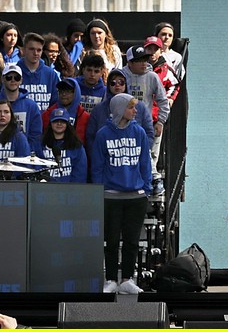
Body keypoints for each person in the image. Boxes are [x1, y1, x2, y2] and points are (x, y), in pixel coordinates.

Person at [91, 93, 152, 294]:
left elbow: (145, 163)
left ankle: (127, 279)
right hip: (111, 196)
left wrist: (146, 188)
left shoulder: (140, 132)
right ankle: (110, 279)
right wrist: (100, 191)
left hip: (136, 195)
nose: (135, 111)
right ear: (119, 109)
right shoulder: (103, 134)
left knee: (132, 241)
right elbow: (98, 167)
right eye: (131, 107)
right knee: (112, 241)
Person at [0, 64, 42, 153]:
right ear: (3, 79)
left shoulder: (31, 106)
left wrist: (26, 154)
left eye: (17, 77)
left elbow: (36, 136)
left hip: (24, 156)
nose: (13, 80)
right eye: (9, 77)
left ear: (21, 80)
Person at [0, 100, 31, 179]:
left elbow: (24, 164)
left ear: (11, 115)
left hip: (11, 184)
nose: (2, 115)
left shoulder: (19, 138)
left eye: (6, 112)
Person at [17, 33, 62, 114]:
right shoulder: (15, 72)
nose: (35, 53)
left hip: (44, 122)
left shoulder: (51, 74)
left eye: (39, 50)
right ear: (23, 50)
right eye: (31, 49)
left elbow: (56, 103)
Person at [45, 108, 89, 183]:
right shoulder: (41, 145)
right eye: (56, 121)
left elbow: (80, 173)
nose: (59, 124)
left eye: (62, 121)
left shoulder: (77, 146)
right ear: (51, 123)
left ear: (67, 124)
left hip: (70, 191)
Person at [40, 77, 89, 141]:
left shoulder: (85, 117)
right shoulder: (47, 115)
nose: (63, 94)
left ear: (76, 93)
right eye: (61, 91)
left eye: (68, 91)